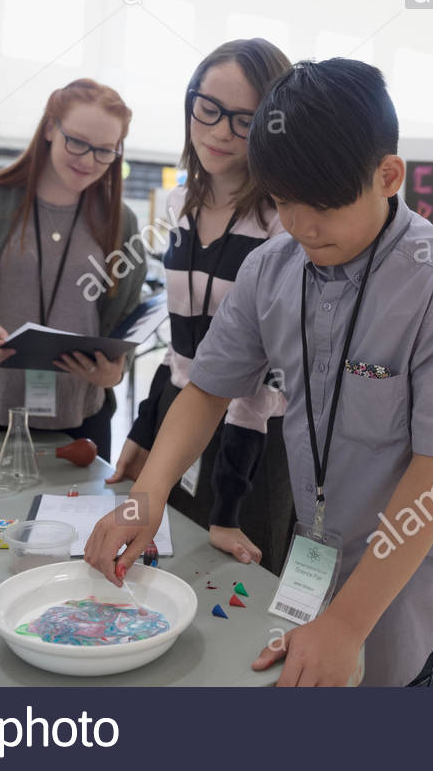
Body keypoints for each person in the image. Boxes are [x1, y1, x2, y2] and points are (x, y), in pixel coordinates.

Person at [86, 59, 433, 687]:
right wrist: (145, 498)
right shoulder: (272, 269)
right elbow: (205, 392)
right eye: (283, 203)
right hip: (310, 563)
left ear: (387, 176)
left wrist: (346, 624)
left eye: (323, 208)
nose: (302, 227)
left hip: (411, 583)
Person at [107, 39, 294, 571]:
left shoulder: (285, 221)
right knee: (165, 569)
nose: (219, 131)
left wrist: (230, 502)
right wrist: (145, 431)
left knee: (235, 593)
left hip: (252, 439)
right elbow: (180, 348)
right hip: (181, 421)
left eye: (244, 120)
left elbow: (271, 374)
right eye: (208, 109)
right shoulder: (179, 204)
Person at [0, 78, 146, 459]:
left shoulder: (120, 222)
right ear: (49, 128)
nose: (89, 160)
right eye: (77, 142)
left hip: (83, 412)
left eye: (105, 151)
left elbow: (127, 319)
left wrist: (117, 368)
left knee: (79, 518)